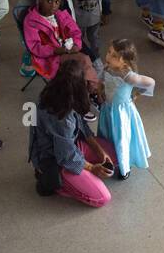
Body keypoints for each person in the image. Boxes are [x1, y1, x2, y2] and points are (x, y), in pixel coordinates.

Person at [29, 57, 115, 207]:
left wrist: (99, 151)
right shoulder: (62, 115)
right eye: (89, 72)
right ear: (79, 84)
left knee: (114, 156)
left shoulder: (64, 91)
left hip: (69, 146)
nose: (94, 75)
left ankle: (80, 175)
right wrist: (92, 168)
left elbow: (82, 127)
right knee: (102, 198)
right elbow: (66, 156)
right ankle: (57, 183)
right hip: (57, 160)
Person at [96, 40, 155, 179]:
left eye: (114, 55)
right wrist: (100, 92)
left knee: (122, 138)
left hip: (121, 113)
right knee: (107, 134)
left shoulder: (129, 76)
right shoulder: (107, 67)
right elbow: (101, 80)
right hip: (108, 108)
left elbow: (150, 82)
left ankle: (124, 166)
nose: (108, 56)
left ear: (124, 62)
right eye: (109, 52)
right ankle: (108, 157)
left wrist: (137, 94)